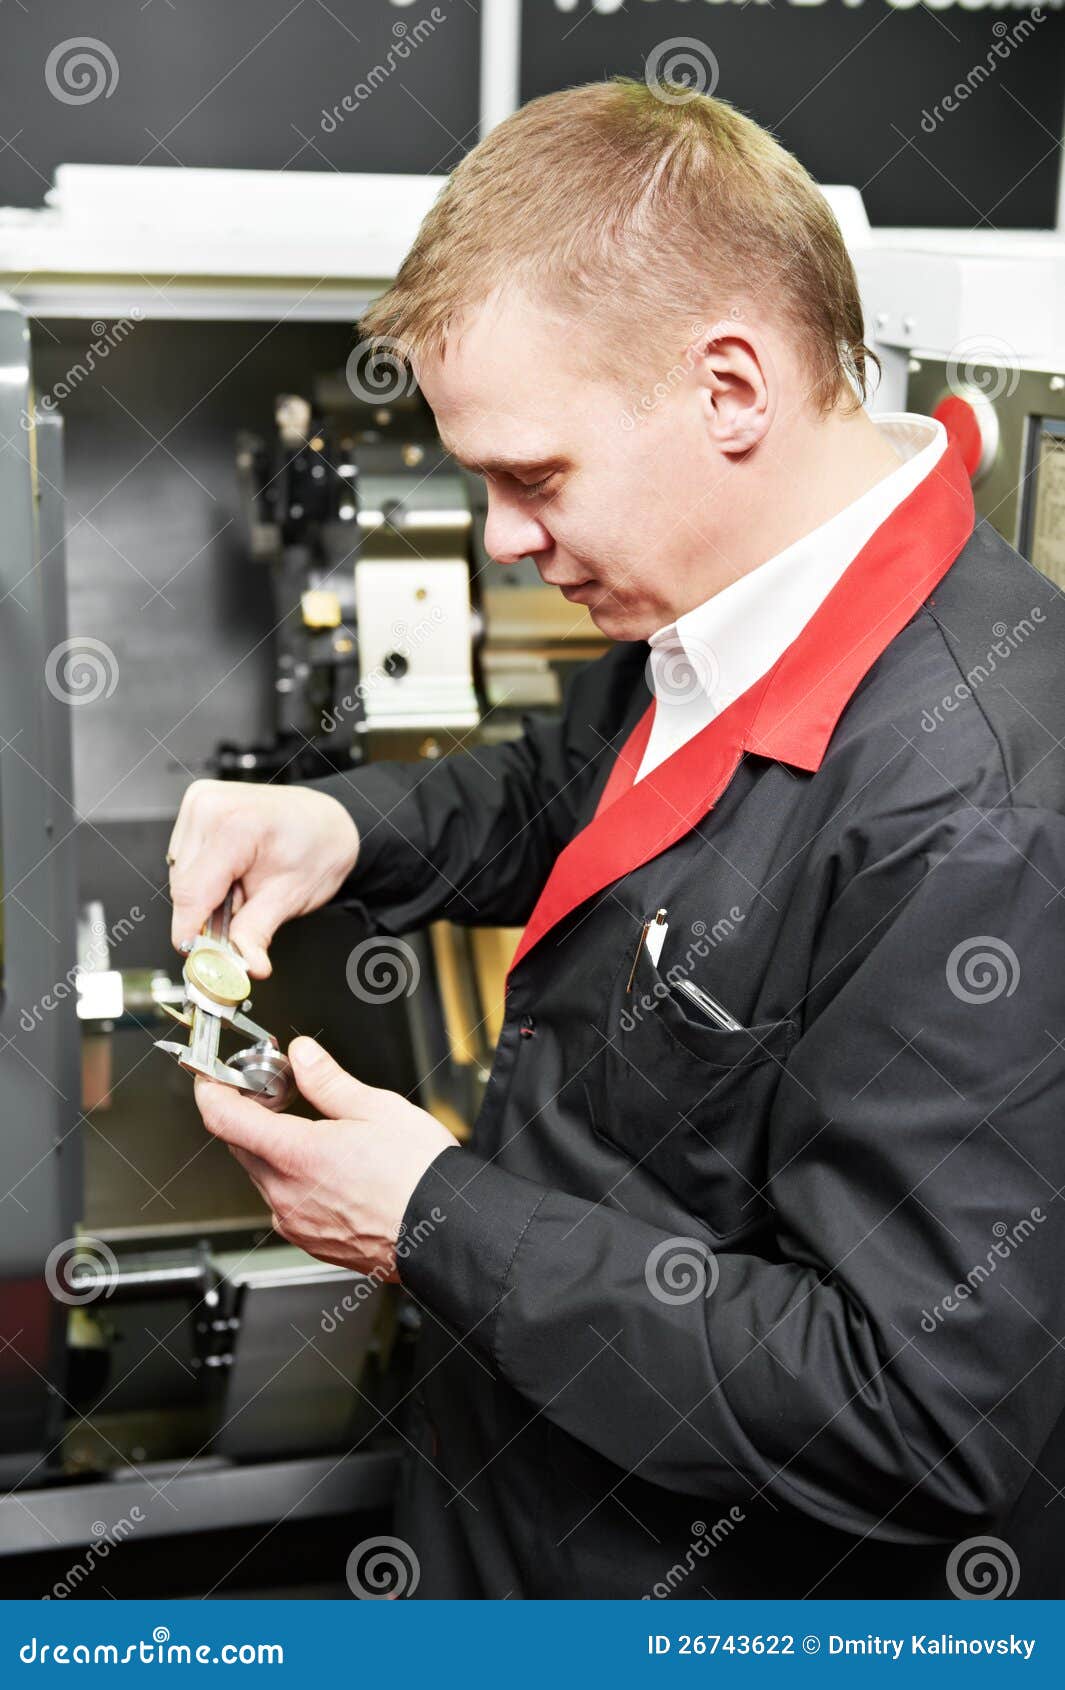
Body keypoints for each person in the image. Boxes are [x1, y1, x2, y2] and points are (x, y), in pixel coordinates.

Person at [168, 80, 1065, 1599]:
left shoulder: (976, 811)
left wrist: (433, 1219)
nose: (504, 537)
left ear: (729, 389)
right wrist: (339, 823)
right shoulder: (735, 608)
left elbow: (920, 1413)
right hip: (515, 1524)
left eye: (533, 476)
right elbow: (566, 785)